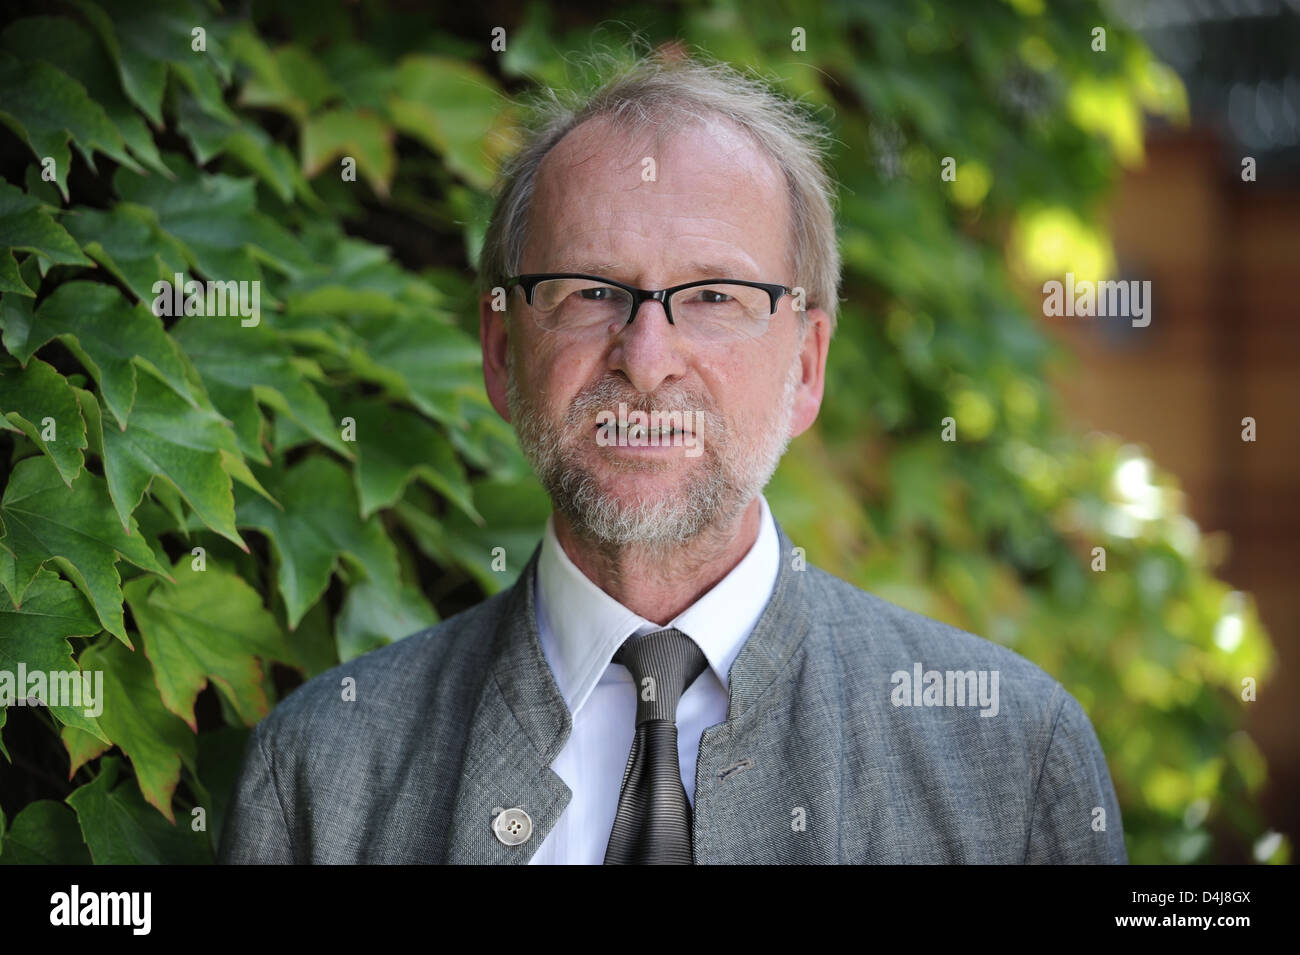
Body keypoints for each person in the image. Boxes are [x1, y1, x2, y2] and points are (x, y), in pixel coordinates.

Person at [219, 51, 1127, 865]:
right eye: (587, 292)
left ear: (806, 366)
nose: (646, 359)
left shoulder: (1011, 756)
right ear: (502, 352)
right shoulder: (318, 774)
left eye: (715, 296)